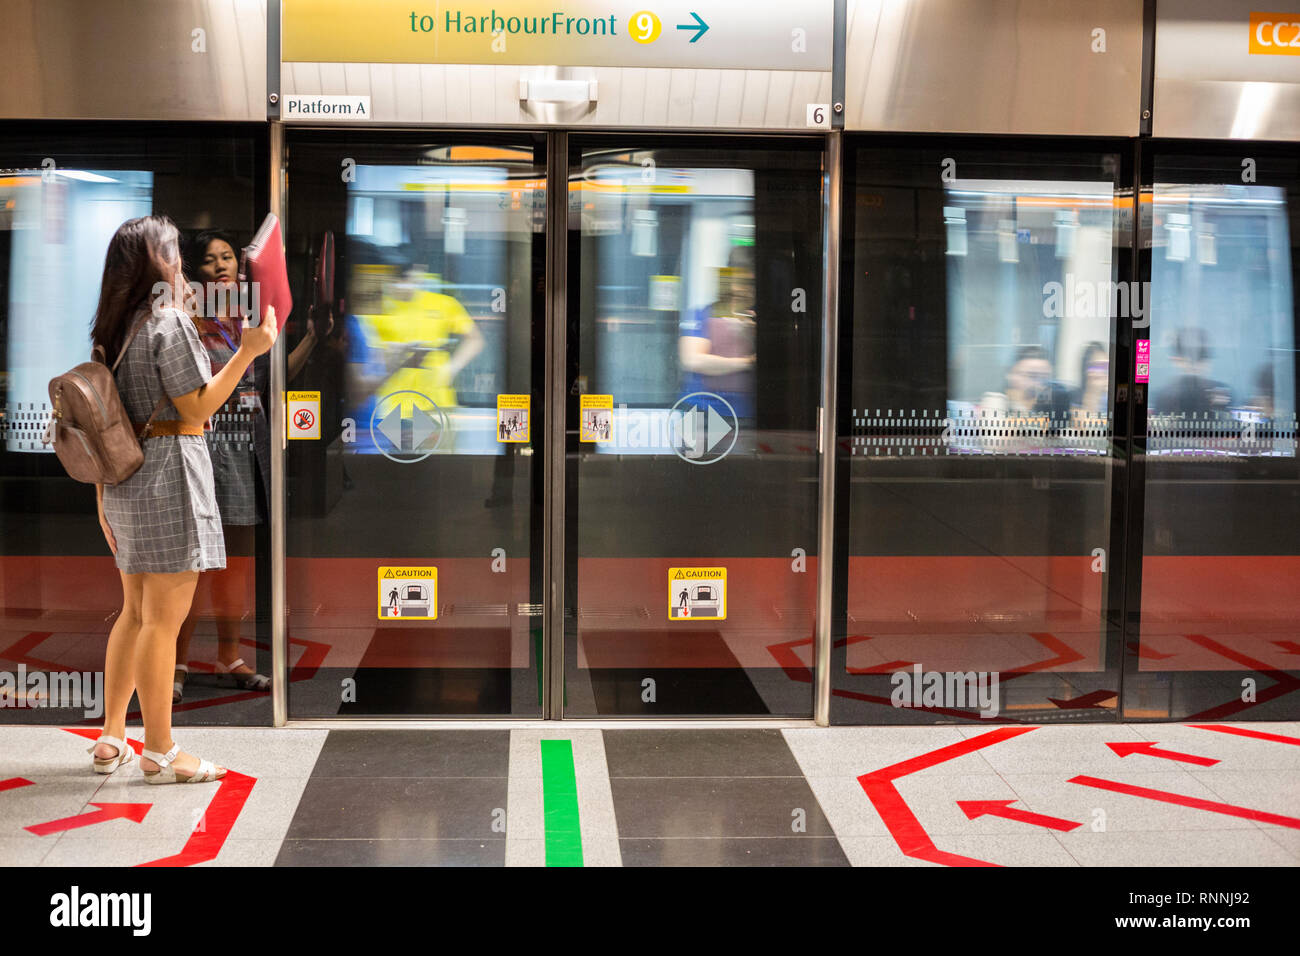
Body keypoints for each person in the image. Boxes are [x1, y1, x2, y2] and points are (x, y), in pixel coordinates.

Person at [88, 214, 276, 783]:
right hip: (170, 473)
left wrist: (101, 497)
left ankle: (112, 737)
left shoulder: (112, 327)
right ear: (159, 263)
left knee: (135, 612)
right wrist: (249, 351)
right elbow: (195, 408)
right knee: (161, 623)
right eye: (173, 254)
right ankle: (162, 751)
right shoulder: (167, 322)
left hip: (123, 478)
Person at [171, 230, 323, 702]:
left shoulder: (248, 318)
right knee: (194, 562)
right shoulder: (187, 319)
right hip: (203, 441)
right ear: (194, 270)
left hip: (246, 447)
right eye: (210, 260)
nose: (221, 266)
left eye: (228, 258)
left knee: (235, 562)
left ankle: (228, 656)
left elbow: (276, 376)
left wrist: (316, 336)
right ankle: (174, 661)